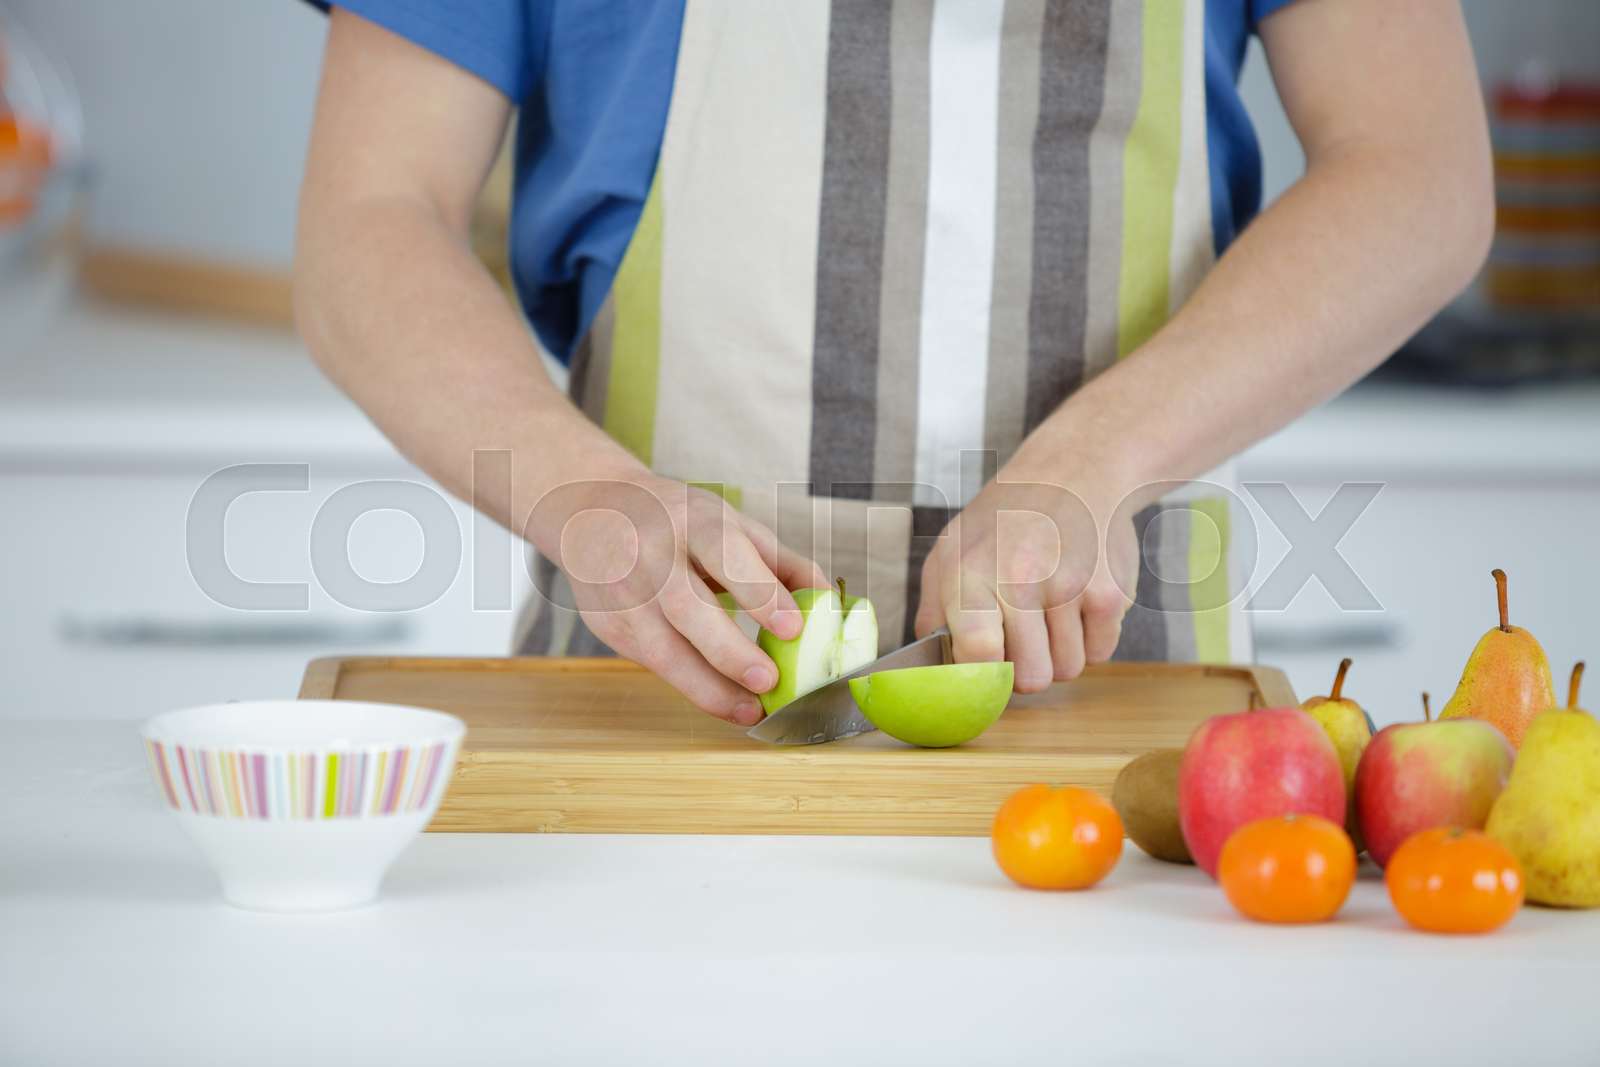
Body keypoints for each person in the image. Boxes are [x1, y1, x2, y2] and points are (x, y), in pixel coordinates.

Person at [293, 0, 1492, 725]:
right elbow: (370, 216)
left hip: (1122, 706)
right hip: (649, 702)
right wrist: (587, 495)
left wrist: (1092, 463)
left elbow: (1419, 174)